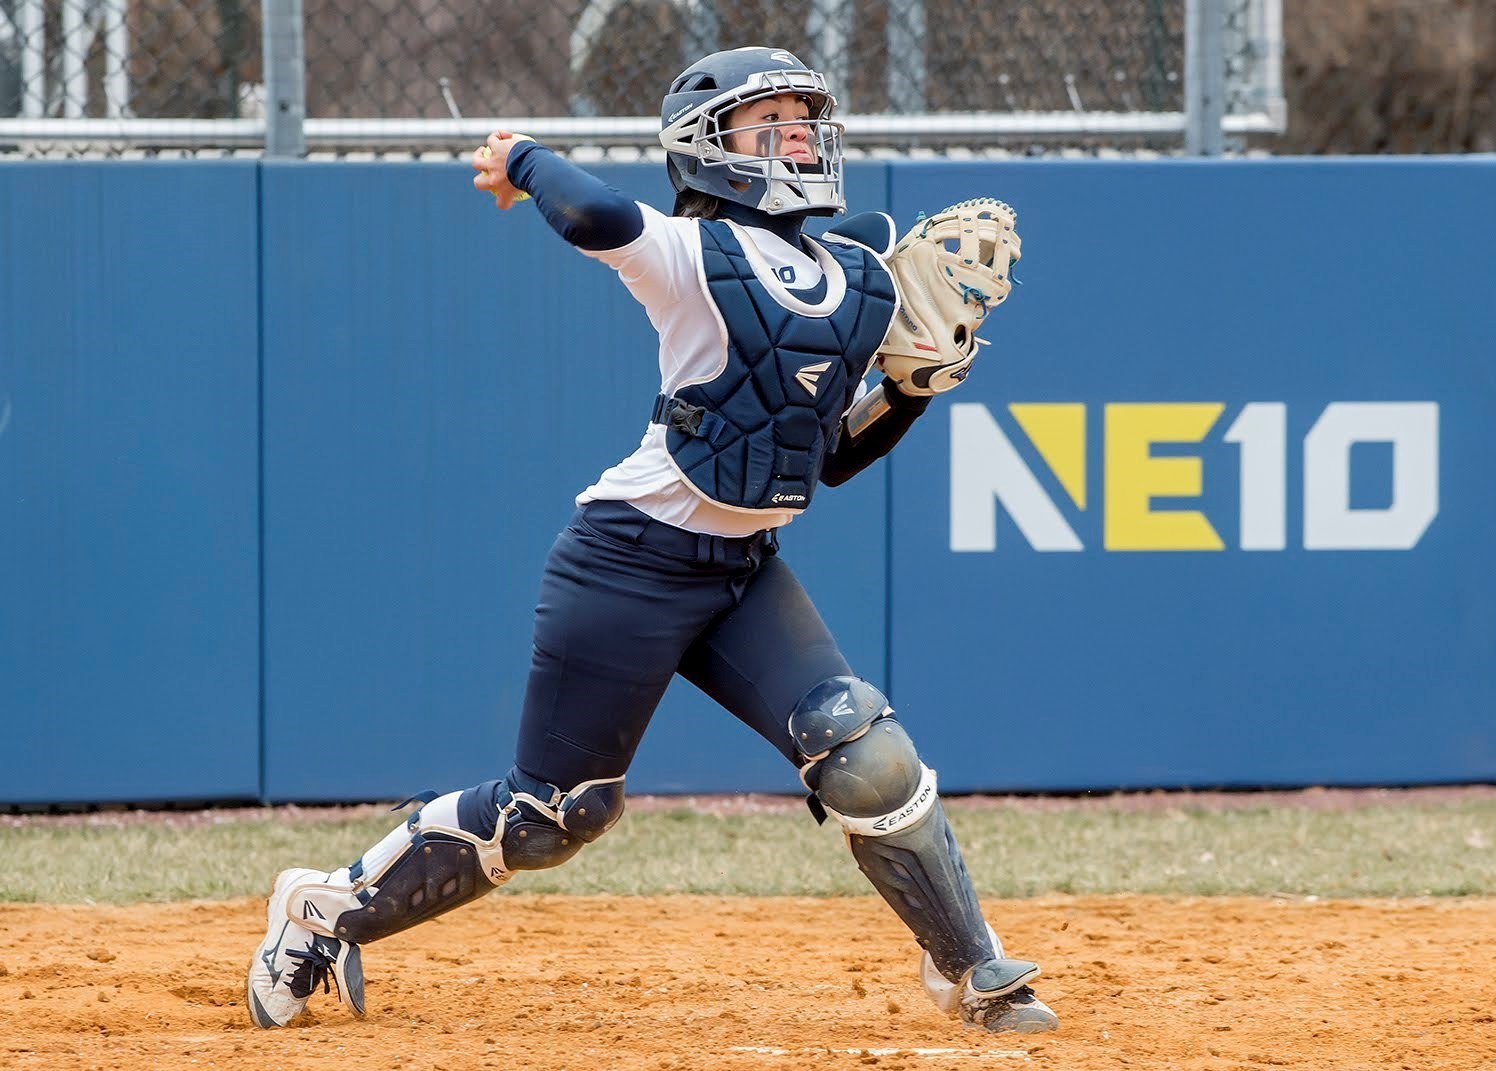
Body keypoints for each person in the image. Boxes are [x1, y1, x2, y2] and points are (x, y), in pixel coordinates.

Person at [246, 45, 1056, 1037]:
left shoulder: (854, 278)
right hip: (628, 562)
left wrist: (910, 390)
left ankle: (973, 970)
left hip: (743, 570)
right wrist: (525, 157)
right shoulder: (688, 252)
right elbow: (595, 216)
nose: (799, 135)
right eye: (771, 119)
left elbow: (831, 457)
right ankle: (322, 909)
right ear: (709, 146)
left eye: (806, 118)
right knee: (554, 815)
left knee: (863, 750)